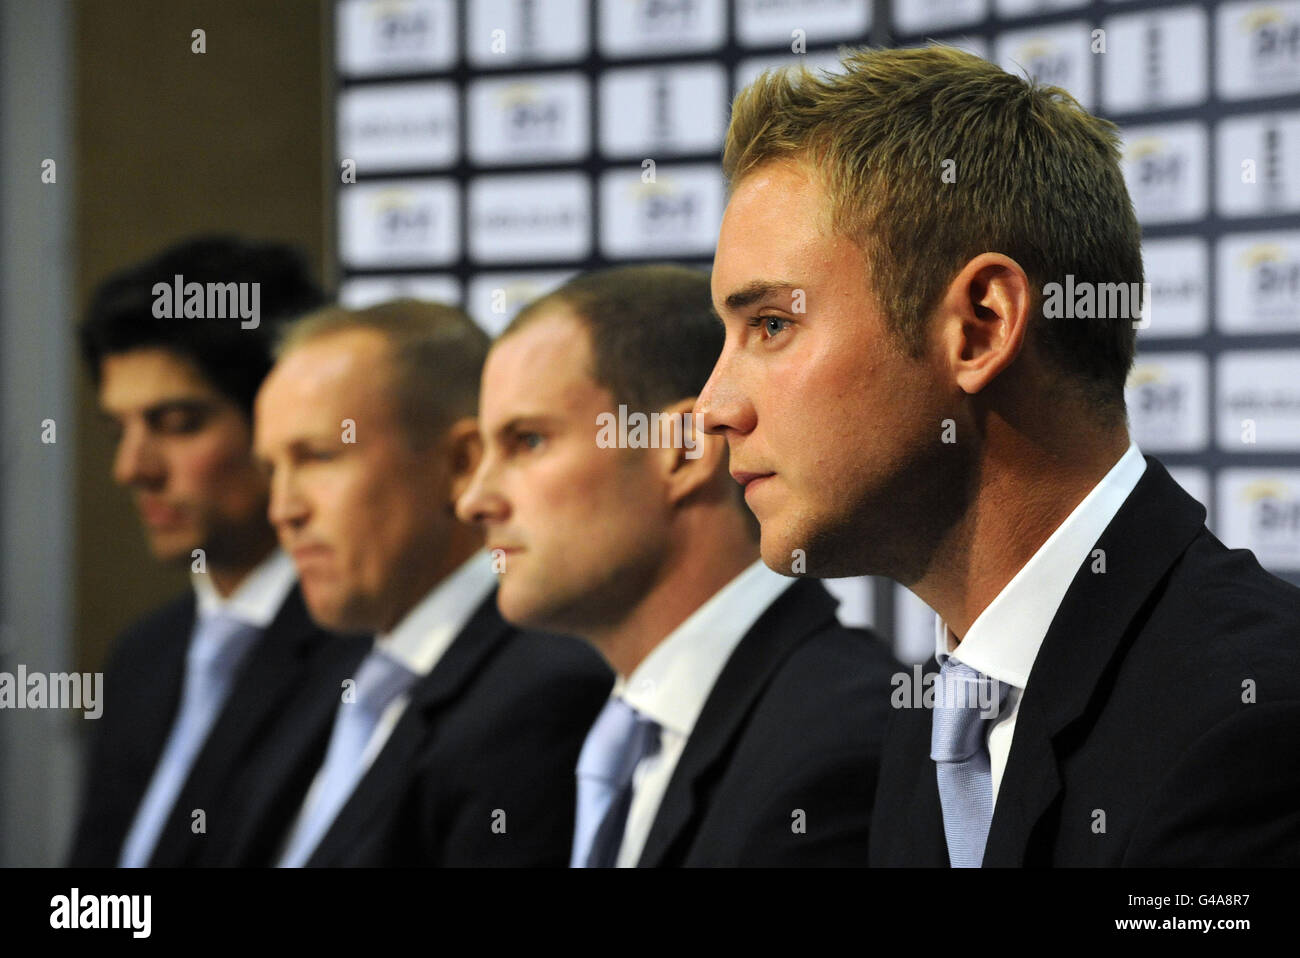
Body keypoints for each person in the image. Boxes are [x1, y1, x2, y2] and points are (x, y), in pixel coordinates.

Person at [696, 45, 1300, 866]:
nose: (713, 407)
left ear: (981, 325)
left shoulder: (1251, 719)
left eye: (770, 325)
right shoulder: (935, 722)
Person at [457, 265, 899, 867]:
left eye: (528, 441)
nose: (475, 500)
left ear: (683, 451)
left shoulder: (840, 742)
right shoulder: (593, 733)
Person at [238, 298, 612, 867]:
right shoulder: (328, 670)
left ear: (461, 463)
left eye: (317, 457)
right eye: (271, 470)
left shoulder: (540, 693)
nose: (283, 510)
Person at [69, 235, 368, 867]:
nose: (132, 468)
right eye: (118, 429)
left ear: (279, 418)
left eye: (176, 424)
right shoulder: (143, 656)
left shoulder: (369, 651)